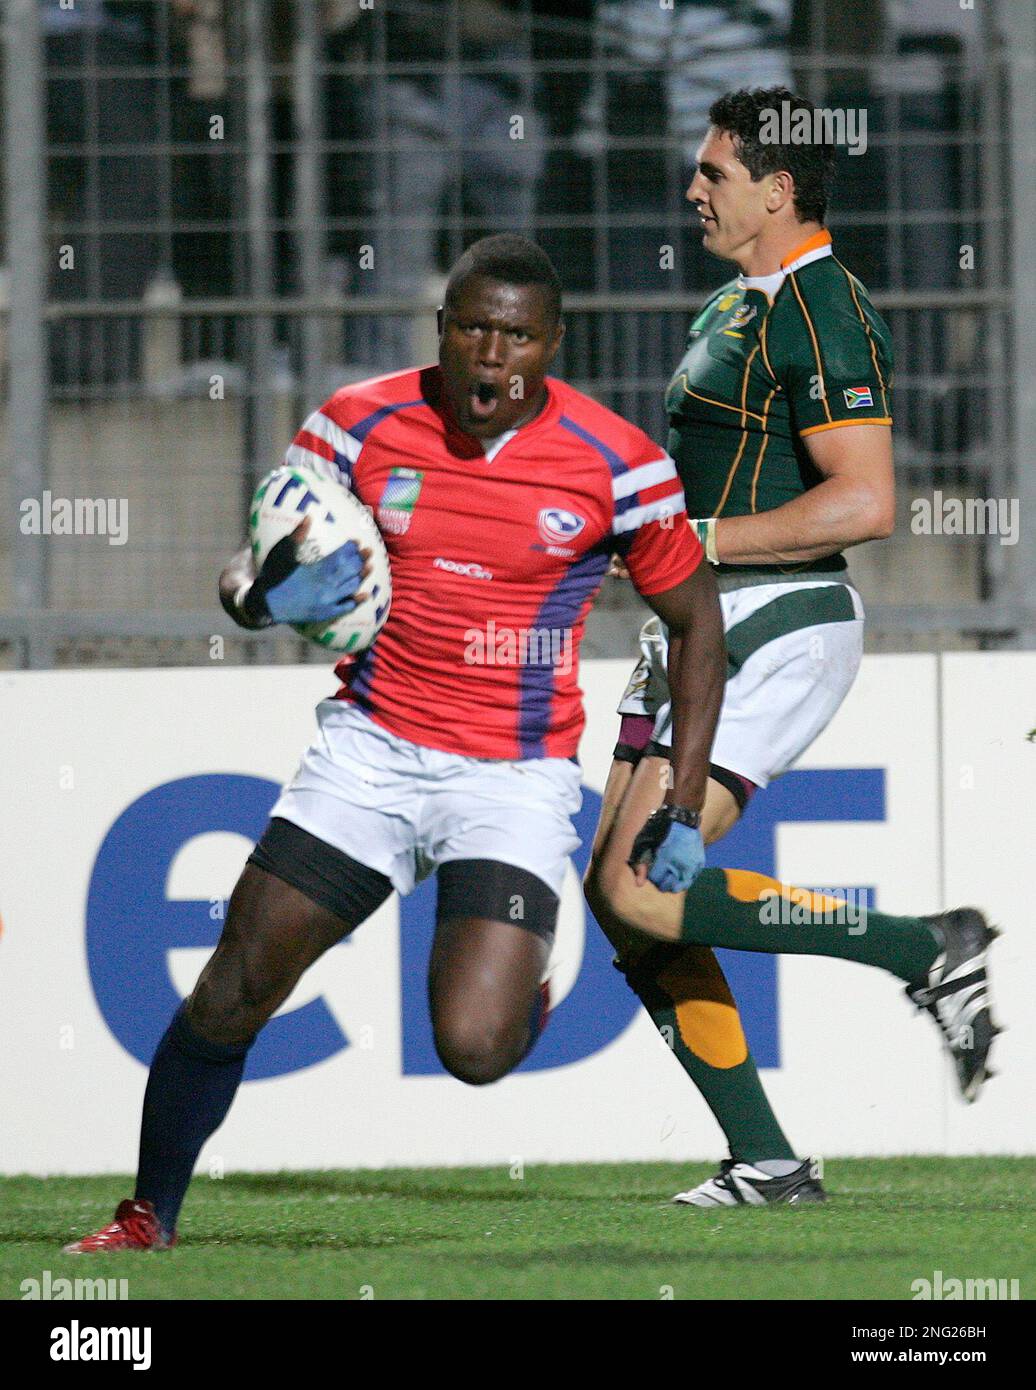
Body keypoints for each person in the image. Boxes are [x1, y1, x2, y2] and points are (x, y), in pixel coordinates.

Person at [64, 235, 726, 1252]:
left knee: (472, 1046)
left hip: (510, 777)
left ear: (551, 343)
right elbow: (262, 573)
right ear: (442, 328)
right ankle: (147, 1212)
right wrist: (254, 597)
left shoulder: (618, 465)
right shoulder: (353, 422)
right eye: (470, 327)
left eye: (513, 334)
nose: (489, 355)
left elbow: (696, 625)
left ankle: (531, 981)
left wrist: (680, 799)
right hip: (369, 752)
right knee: (235, 983)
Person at [584, 88, 999, 1209]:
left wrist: (698, 541)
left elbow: (865, 501)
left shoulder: (821, 304)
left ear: (777, 189)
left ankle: (922, 946)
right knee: (616, 895)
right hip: (702, 619)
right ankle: (765, 1161)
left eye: (714, 173)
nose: (693, 190)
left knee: (638, 883)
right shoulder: (736, 304)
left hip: (781, 615)